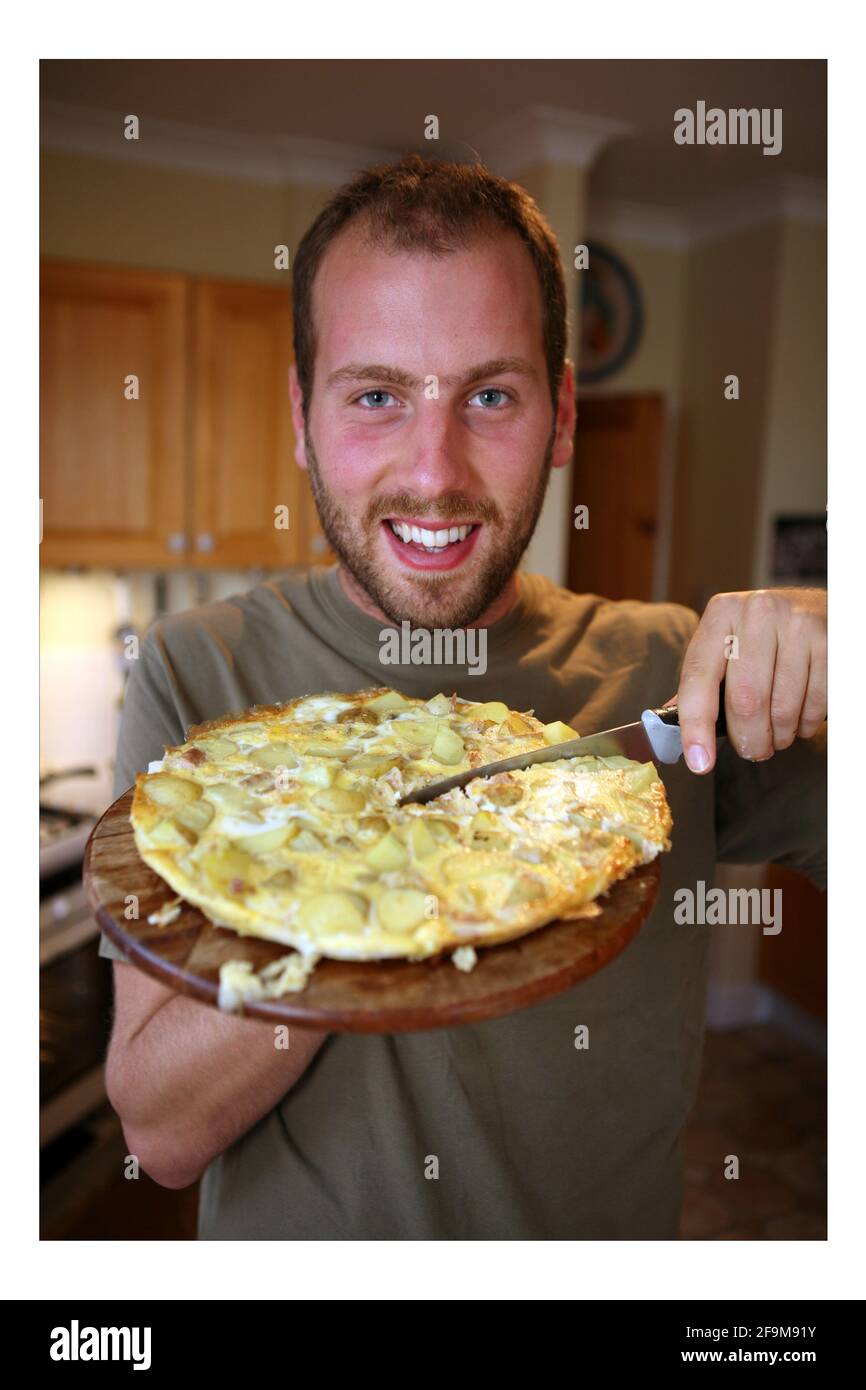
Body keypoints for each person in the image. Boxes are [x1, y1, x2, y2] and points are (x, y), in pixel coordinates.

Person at [101, 154, 827, 1240]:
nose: (432, 470)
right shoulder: (196, 680)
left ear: (562, 415)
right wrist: (358, 863)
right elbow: (159, 1135)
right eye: (377, 394)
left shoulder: (672, 682)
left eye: (488, 395)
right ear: (302, 415)